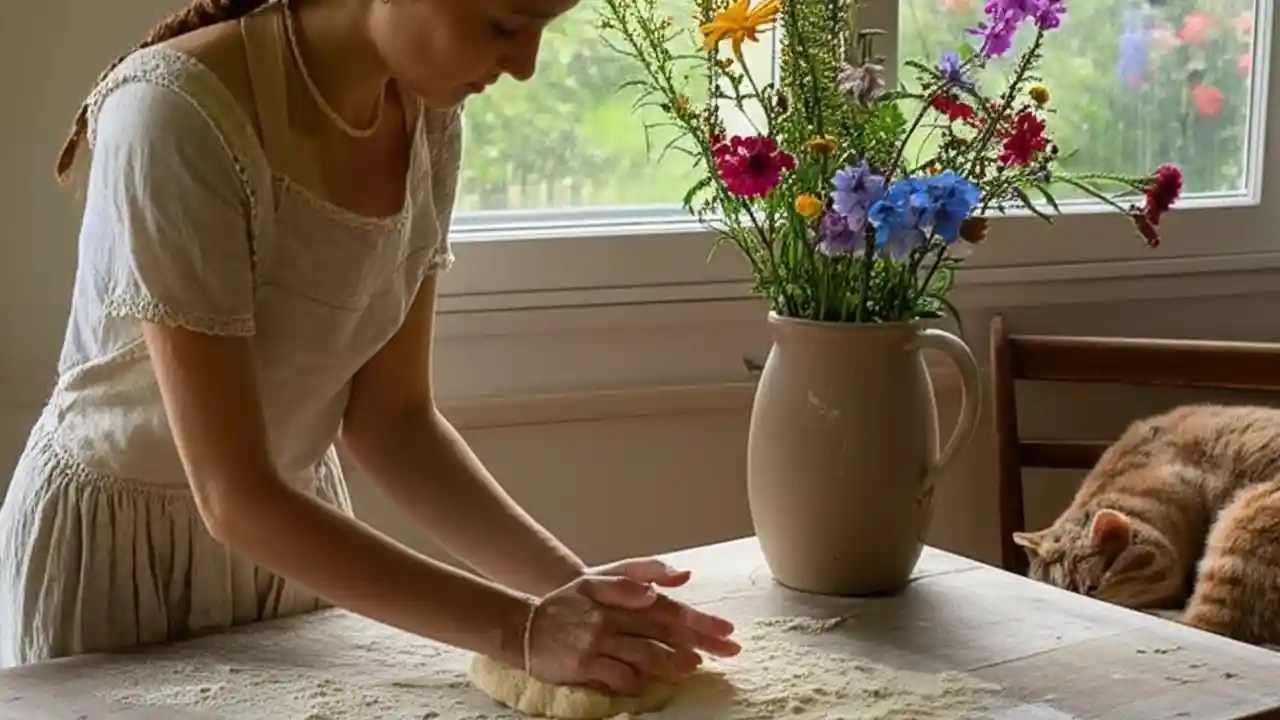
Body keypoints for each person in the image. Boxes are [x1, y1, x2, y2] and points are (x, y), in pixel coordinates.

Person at [0, 0, 741, 695]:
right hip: (117, 562)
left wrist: (575, 594)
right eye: (505, 25)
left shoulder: (427, 117)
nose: (525, 67)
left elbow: (393, 421)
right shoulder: (176, 114)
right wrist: (520, 629)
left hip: (293, 542)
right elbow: (233, 496)